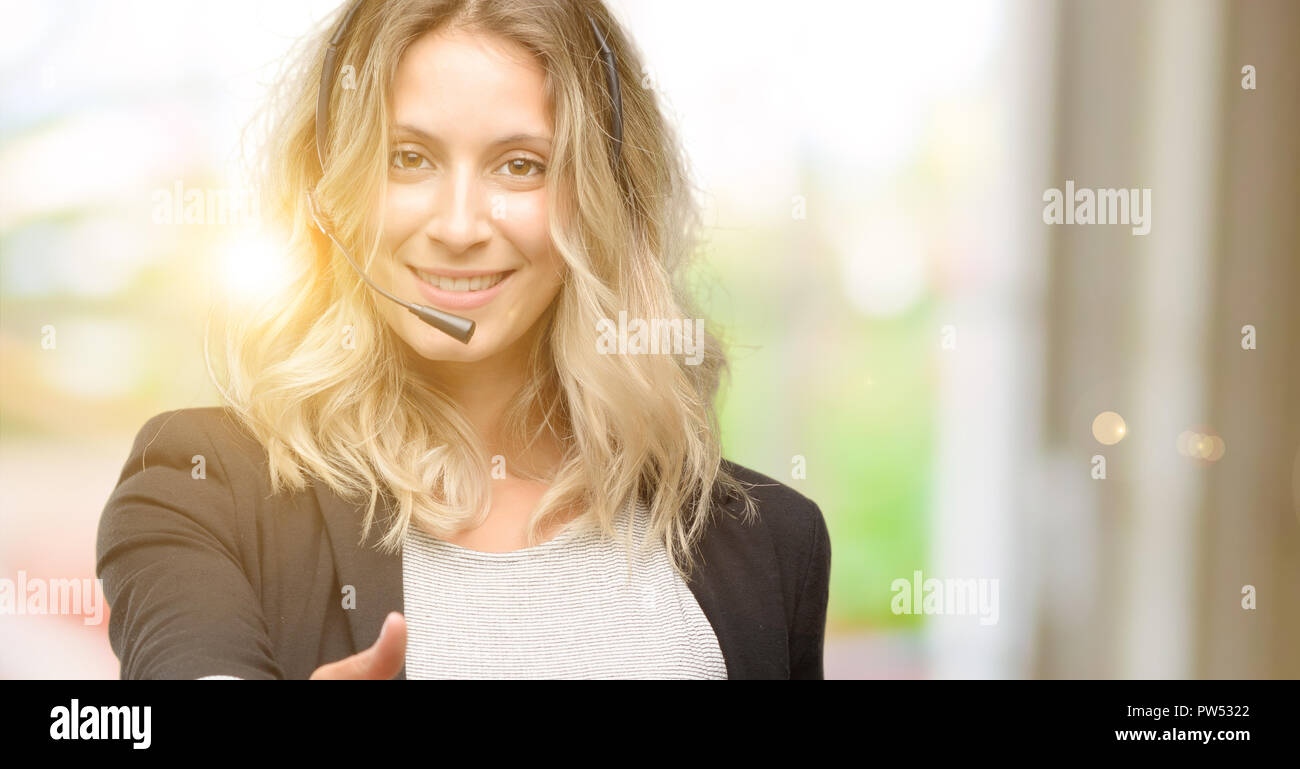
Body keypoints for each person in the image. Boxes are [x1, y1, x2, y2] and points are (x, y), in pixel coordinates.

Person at [96, 0, 830, 680]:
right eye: (408, 157)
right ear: (333, 192)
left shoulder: (771, 542)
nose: (457, 225)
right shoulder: (198, 487)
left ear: (604, 199)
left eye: (520, 165)